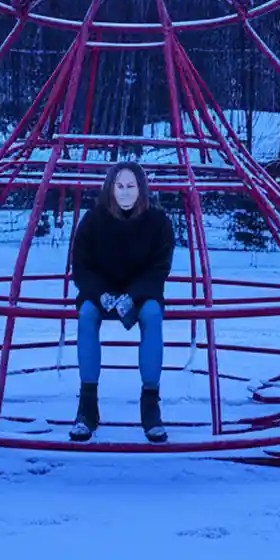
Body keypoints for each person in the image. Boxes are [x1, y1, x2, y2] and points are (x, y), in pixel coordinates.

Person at [68, 161, 174, 443]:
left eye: (131, 186)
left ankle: (150, 405)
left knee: (152, 315)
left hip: (142, 292)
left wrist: (133, 296)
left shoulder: (158, 222)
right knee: (86, 315)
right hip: (100, 291)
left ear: (141, 189)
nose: (125, 192)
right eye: (119, 186)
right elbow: (81, 267)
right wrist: (101, 293)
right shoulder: (93, 221)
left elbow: (159, 267)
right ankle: (87, 407)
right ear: (110, 188)